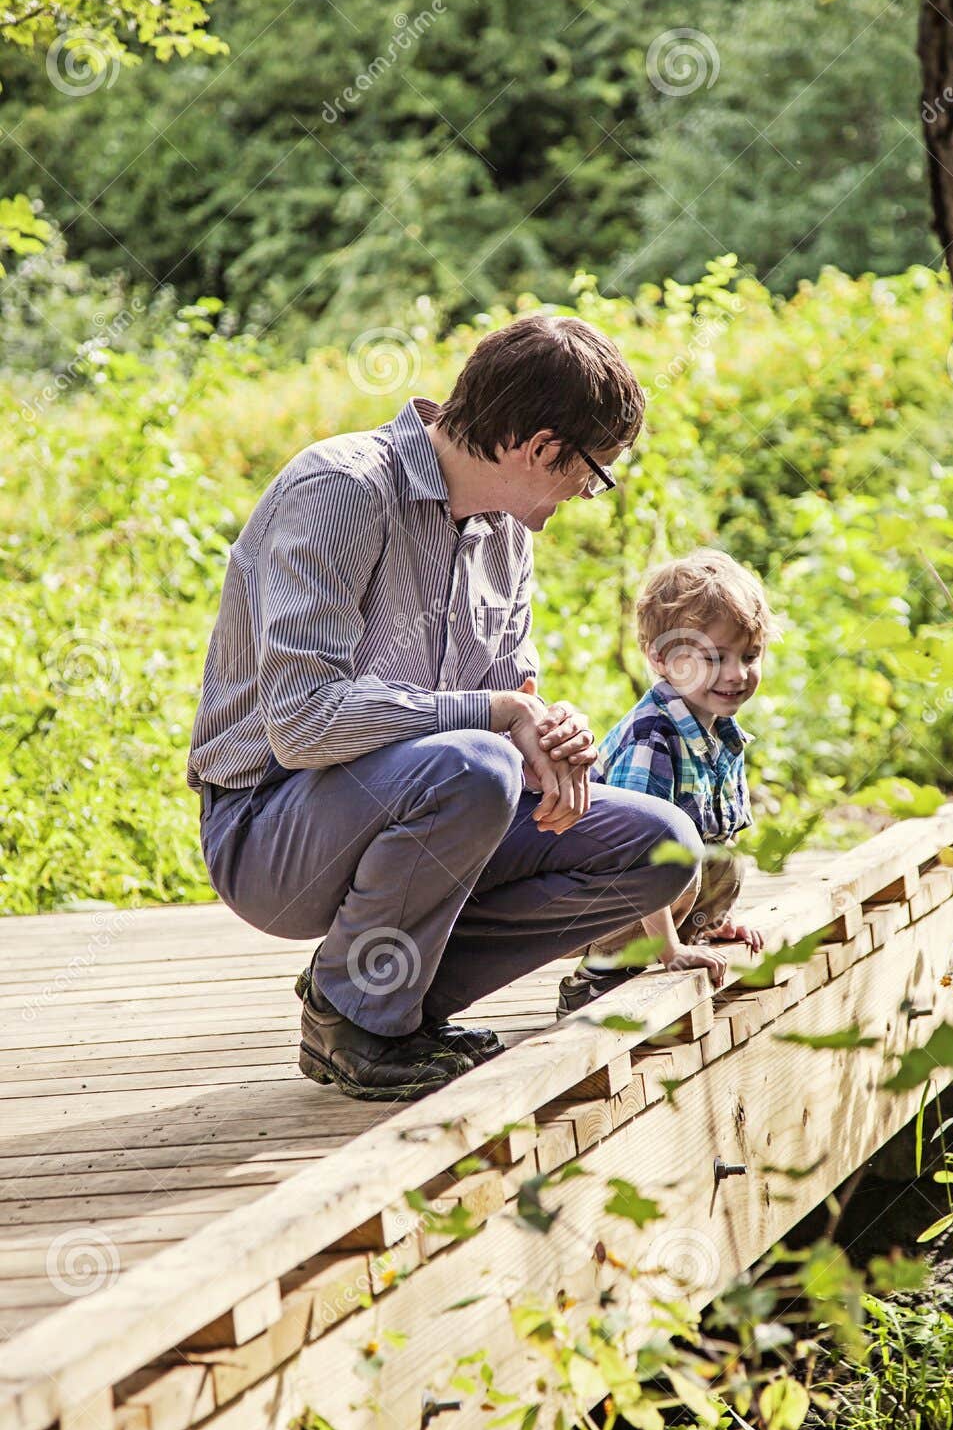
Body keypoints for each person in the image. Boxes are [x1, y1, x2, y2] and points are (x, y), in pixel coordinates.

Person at [188, 314, 704, 1103]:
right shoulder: (342, 490)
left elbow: (508, 697)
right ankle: (350, 1016)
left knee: (660, 847)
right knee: (474, 762)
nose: (587, 493)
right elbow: (301, 723)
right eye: (594, 472)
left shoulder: (507, 534)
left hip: (440, 799)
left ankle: (392, 999)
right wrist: (494, 717)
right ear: (541, 448)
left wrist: (549, 737)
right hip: (270, 830)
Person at [557, 548, 778, 1018]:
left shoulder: (719, 730)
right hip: (599, 892)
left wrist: (716, 919)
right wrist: (669, 951)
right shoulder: (651, 738)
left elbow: (716, 833)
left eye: (750, 655)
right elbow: (636, 856)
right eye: (714, 658)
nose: (737, 675)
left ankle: (701, 930)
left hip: (661, 885)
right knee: (676, 856)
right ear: (661, 659)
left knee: (722, 856)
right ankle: (598, 975)